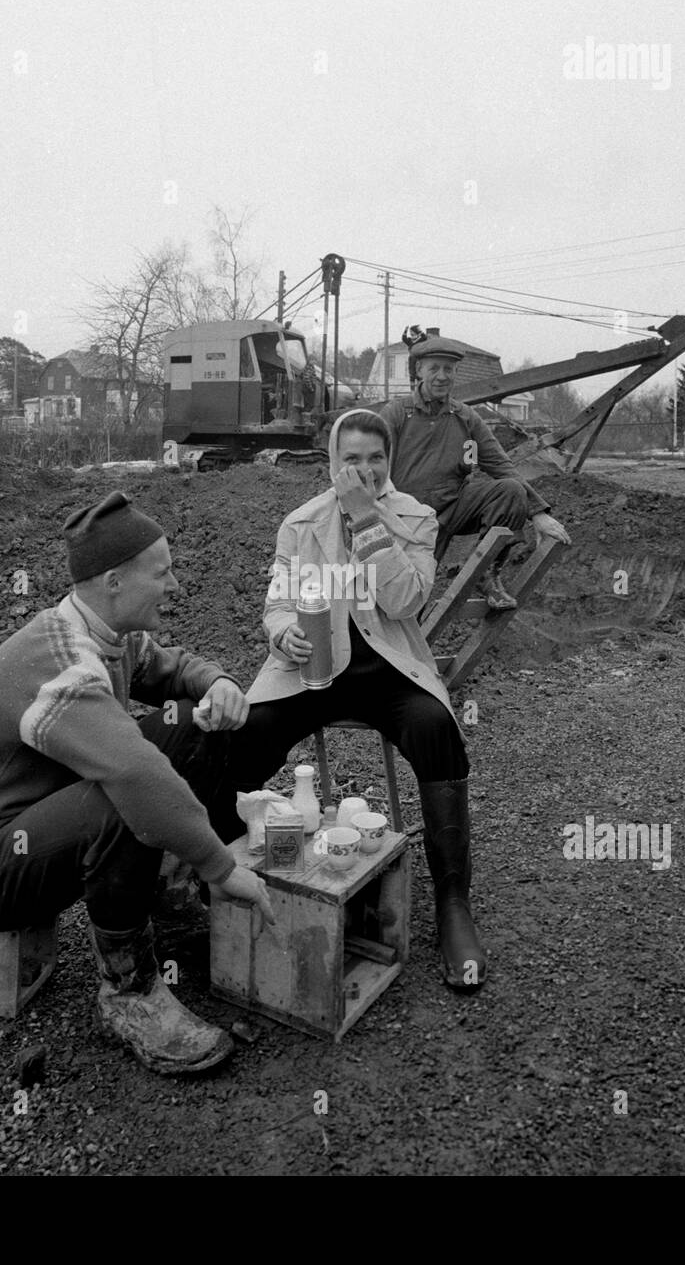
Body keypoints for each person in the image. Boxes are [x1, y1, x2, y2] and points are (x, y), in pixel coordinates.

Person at [0, 491, 273, 1076]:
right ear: (114, 580)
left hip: (35, 824)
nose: (175, 586)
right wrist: (220, 865)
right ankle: (129, 991)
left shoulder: (110, 632)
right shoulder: (63, 667)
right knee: (125, 793)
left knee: (194, 721)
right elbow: (136, 773)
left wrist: (217, 683)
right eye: (161, 573)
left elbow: (170, 667)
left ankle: (163, 895)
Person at [226, 408, 487, 990]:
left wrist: (369, 518)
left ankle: (453, 904)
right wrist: (281, 631)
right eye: (352, 459)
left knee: (435, 727)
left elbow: (404, 603)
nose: (364, 470)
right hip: (315, 669)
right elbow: (277, 600)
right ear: (332, 462)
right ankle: (219, 871)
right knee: (250, 730)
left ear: (388, 462)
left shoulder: (414, 517)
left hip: (388, 667)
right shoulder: (301, 523)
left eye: (376, 458)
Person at [379, 329, 570, 610]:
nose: (442, 376)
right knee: (408, 600)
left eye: (449, 369)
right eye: (434, 368)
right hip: (406, 518)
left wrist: (538, 513)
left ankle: (486, 574)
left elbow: (501, 466)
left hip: (452, 509)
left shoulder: (465, 417)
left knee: (510, 491)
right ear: (419, 370)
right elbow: (375, 471)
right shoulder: (396, 414)